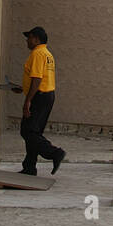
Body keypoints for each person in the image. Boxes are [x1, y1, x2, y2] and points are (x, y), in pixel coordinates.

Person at [17, 27, 65, 176]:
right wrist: (23, 88)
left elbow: (37, 79)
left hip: (39, 96)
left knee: (28, 131)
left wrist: (28, 101)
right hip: (47, 95)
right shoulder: (47, 54)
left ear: (36, 39)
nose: (27, 40)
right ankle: (29, 167)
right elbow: (39, 79)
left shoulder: (37, 53)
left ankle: (55, 153)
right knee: (34, 132)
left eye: (29, 37)